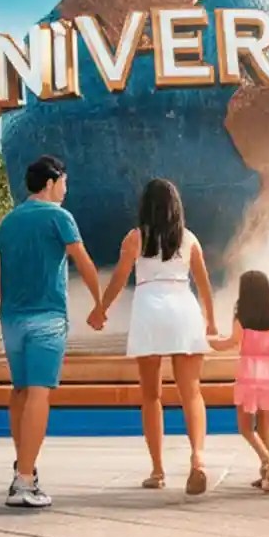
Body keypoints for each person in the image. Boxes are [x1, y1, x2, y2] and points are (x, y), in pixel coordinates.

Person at [90, 178, 217, 494]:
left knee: (151, 395)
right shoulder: (189, 240)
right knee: (192, 392)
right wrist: (211, 321)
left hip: (150, 309)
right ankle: (198, 458)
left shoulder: (135, 238)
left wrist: (101, 309)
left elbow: (120, 277)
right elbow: (202, 283)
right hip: (183, 308)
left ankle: (158, 470)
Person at [0, 155, 103, 508]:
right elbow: (83, 261)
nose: (66, 190)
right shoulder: (59, 217)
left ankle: (25, 466)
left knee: (20, 391)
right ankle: (24, 482)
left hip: (11, 318)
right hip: (47, 319)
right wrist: (99, 304)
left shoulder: (8, 222)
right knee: (39, 394)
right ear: (52, 181)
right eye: (65, 183)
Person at [209, 270, 269, 493]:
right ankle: (267, 475)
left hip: (249, 374)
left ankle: (268, 461)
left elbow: (231, 342)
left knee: (245, 427)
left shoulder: (241, 318)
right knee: (266, 424)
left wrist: (210, 342)